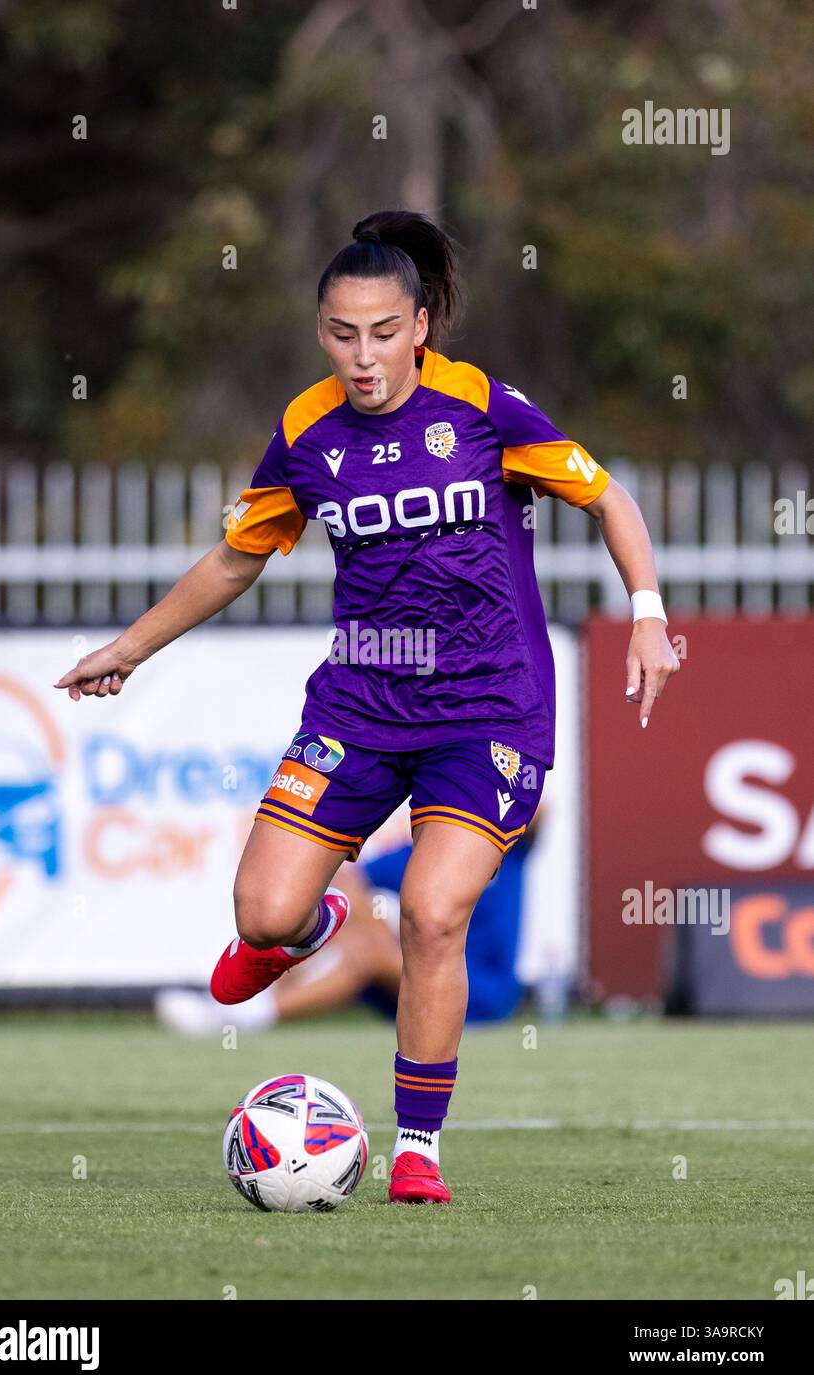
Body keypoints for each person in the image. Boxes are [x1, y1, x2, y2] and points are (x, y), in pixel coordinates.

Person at [55, 209, 679, 1205]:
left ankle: (417, 1146)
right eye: (342, 334)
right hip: (359, 701)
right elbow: (234, 557)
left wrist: (644, 612)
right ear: (320, 332)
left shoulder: (480, 407)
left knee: (432, 914)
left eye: (383, 331)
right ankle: (313, 926)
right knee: (262, 913)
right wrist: (127, 650)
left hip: (489, 706)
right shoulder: (305, 431)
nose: (364, 356)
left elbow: (606, 497)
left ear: (419, 323)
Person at [155, 810, 542, 1037]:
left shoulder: (508, 848)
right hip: (414, 985)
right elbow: (346, 880)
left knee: (368, 947)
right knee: (339, 908)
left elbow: (539, 808)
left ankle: (251, 1014)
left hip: (483, 992)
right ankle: (254, 998)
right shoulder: (417, 852)